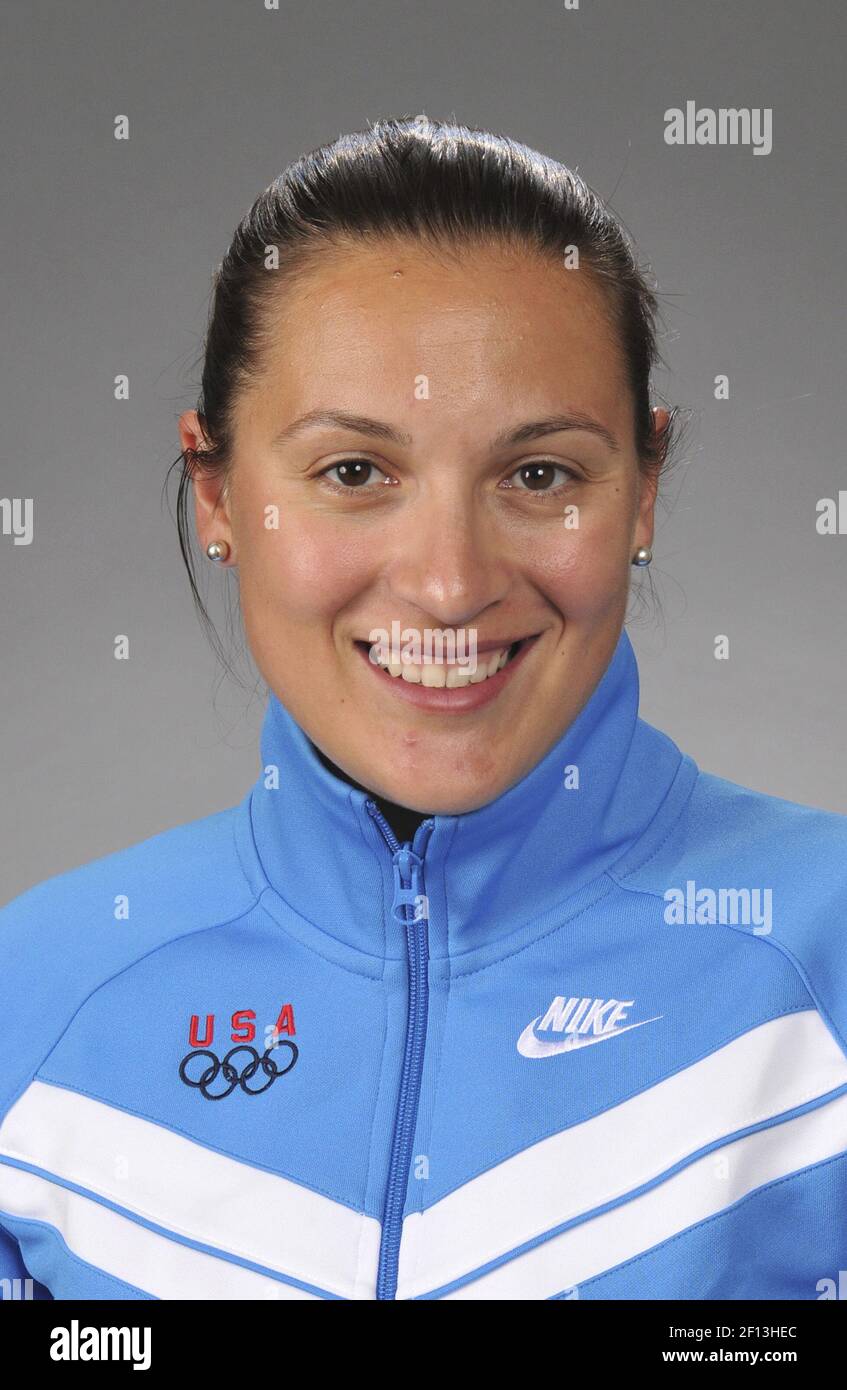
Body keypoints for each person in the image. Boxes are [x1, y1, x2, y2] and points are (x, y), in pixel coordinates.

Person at [1, 115, 846, 1303]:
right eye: (354, 473)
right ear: (217, 492)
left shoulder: (828, 950)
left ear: (643, 489)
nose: (449, 582)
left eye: (539, 473)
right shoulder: (30, 1005)